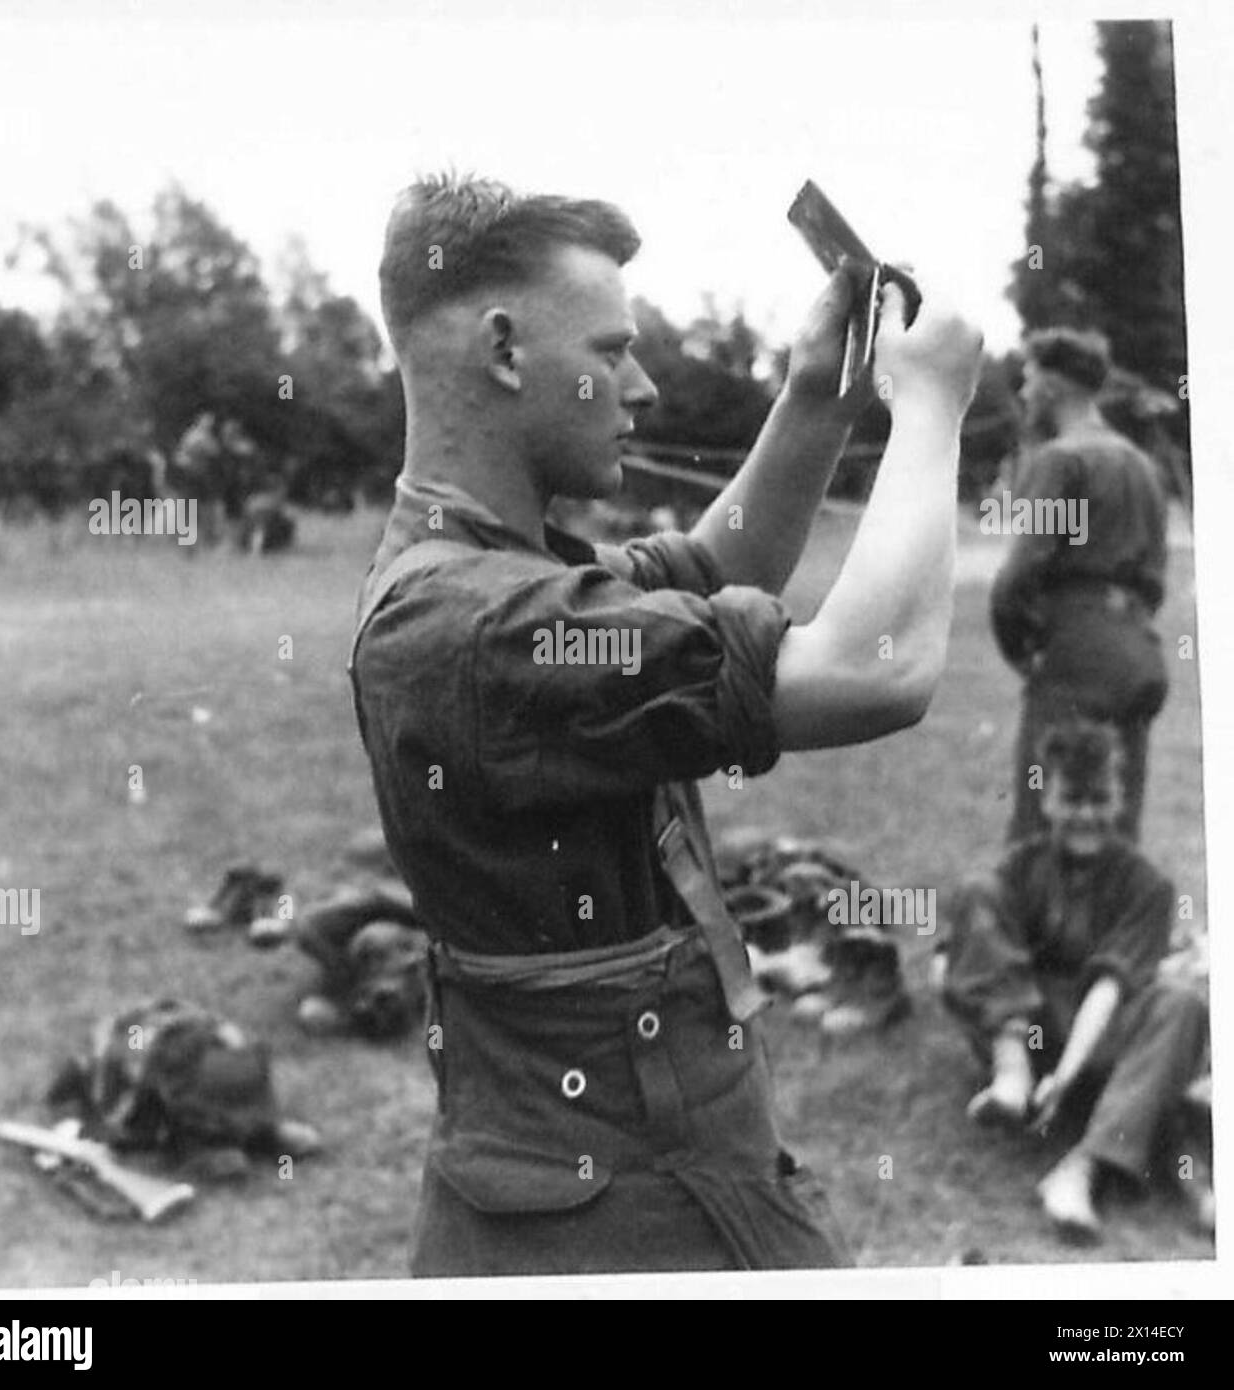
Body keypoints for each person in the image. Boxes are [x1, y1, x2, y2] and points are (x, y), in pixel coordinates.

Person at [349, 173, 982, 1276]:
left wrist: (820, 399)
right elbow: (881, 673)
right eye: (612, 349)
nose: (639, 388)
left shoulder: (490, 567)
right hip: (624, 1198)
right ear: (503, 349)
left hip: (604, 1163)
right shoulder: (481, 622)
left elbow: (709, 574)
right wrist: (929, 408)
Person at [939, 718, 1211, 1241]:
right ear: (1047, 800)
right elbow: (974, 948)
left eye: (1099, 799)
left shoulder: (1147, 885)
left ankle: (1081, 1168)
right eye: (1073, 799)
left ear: (1120, 799)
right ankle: (1011, 1074)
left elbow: (1108, 989)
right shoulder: (1021, 867)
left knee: (1182, 1005)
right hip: (1025, 1025)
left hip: (1099, 1038)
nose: (1086, 815)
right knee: (975, 894)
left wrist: (1063, 1078)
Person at [990, 328, 1170, 843]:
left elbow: (1015, 580)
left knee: (1042, 837)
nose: (1023, 396)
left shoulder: (1060, 460)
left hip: (1075, 660)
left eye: (1028, 382)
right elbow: (1154, 585)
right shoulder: (1143, 467)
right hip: (1138, 659)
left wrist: (1023, 651)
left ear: (1052, 387)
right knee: (1112, 834)